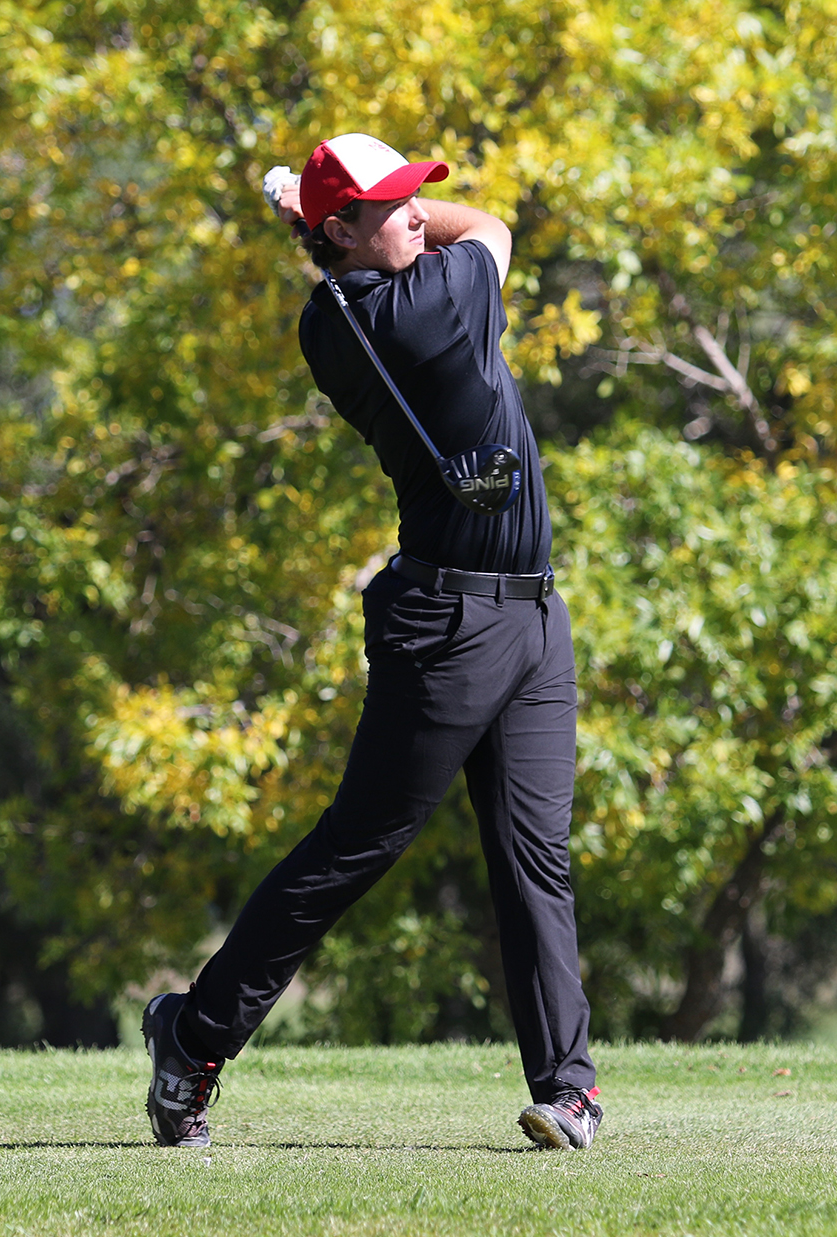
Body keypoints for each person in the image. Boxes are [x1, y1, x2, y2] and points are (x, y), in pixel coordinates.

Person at [142, 133, 601, 1151]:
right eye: (389, 206)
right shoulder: (421, 305)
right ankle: (194, 1037)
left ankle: (569, 1090)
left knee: (536, 858)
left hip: (530, 614)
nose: (412, 213)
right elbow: (488, 225)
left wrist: (332, 221)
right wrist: (328, 217)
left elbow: (402, 236)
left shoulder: (339, 304)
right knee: (358, 845)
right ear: (342, 233)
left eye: (411, 199)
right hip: (447, 627)